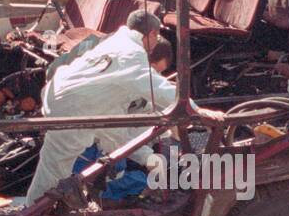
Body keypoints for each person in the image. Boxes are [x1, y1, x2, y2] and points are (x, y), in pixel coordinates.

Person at [23, 10, 177, 204]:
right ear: (153, 33)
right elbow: (158, 89)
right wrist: (190, 109)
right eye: (155, 71)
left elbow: (117, 135)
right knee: (53, 173)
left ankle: (37, 212)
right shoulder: (132, 54)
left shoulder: (113, 43)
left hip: (69, 99)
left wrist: (147, 158)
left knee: (57, 165)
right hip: (75, 110)